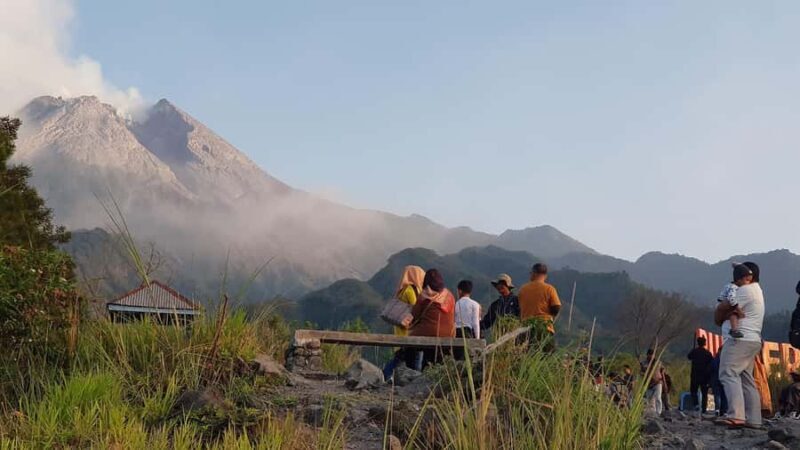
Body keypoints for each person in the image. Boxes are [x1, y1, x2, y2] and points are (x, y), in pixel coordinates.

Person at [714, 261, 765, 428]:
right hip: (753, 340)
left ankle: (736, 415)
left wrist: (720, 309)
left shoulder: (745, 290)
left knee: (728, 373)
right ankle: (753, 419)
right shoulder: (757, 291)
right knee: (745, 378)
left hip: (739, 340)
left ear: (749, 276)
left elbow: (721, 312)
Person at [402, 268, 456, 371]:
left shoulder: (424, 296)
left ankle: (411, 371)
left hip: (427, 332)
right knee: (434, 353)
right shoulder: (450, 295)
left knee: (409, 343)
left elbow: (414, 315)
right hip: (448, 333)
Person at [382, 265, 425, 380]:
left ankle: (385, 376)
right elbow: (417, 308)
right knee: (407, 360)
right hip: (407, 333)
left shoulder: (404, 289)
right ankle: (385, 376)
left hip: (402, 332)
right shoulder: (411, 291)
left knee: (401, 358)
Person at [517, 263, 561, 349]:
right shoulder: (549, 289)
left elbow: (519, 308)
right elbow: (556, 307)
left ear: (534, 273)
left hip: (525, 328)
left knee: (527, 356)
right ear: (545, 276)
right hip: (544, 327)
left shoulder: (523, 289)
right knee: (546, 357)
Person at [717, 264, 753, 338]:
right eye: (747, 280)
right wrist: (739, 310)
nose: (748, 283)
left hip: (726, 303)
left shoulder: (731, 285)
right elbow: (731, 299)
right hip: (723, 304)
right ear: (739, 280)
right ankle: (734, 330)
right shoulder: (733, 288)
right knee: (734, 314)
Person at [453, 280, 481, 361]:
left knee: (457, 358)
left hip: (456, 332)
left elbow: (453, 320)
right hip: (468, 332)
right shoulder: (475, 304)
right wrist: (477, 339)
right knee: (468, 358)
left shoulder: (456, 304)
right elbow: (476, 323)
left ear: (460, 291)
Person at [687, 336, 714, 414]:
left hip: (695, 375)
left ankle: (696, 405)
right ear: (705, 343)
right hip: (704, 377)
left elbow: (689, 357)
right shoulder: (708, 353)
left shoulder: (694, 352)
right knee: (704, 393)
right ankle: (704, 409)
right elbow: (711, 363)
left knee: (693, 391)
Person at [641, 349, 664, 415]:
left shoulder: (658, 362)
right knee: (649, 399)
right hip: (649, 384)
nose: (651, 356)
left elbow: (662, 370)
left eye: (652, 355)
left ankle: (658, 412)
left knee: (658, 397)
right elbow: (642, 371)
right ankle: (653, 413)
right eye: (650, 355)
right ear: (647, 355)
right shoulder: (644, 363)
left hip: (658, 382)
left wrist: (663, 381)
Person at [710, 347, 728, 416]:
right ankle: (724, 411)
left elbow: (710, 369)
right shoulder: (726, 360)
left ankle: (718, 410)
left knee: (718, 395)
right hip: (723, 379)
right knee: (724, 396)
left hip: (716, 379)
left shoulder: (715, 360)